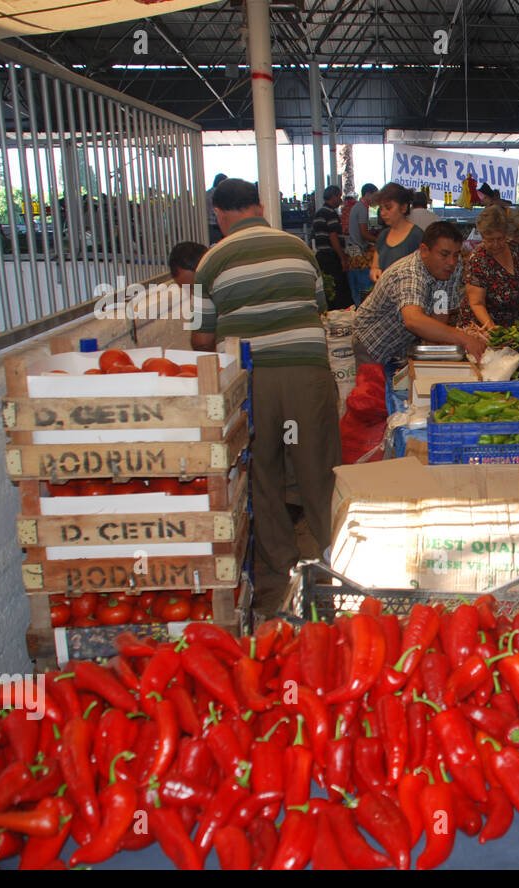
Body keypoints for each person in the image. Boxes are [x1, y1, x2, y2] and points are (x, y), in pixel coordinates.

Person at [190, 178, 340, 617]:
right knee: (318, 469)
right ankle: (337, 559)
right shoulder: (298, 248)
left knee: (263, 472)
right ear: (258, 206)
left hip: (254, 380)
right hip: (306, 372)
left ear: (219, 214)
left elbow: (202, 339)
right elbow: (318, 307)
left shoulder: (211, 260)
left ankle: (280, 569)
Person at [353, 220, 487, 367]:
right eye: (444, 254)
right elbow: (413, 320)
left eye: (456, 255)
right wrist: (464, 338)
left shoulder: (452, 267)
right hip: (373, 346)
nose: (451, 262)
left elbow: (440, 309)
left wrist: (433, 352)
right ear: (424, 250)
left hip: (402, 348)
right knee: (373, 388)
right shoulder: (408, 274)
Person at [465, 204, 519, 330]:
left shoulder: (514, 248)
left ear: (506, 233)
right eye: (490, 240)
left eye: (500, 239)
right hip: (484, 326)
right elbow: (477, 303)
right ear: (482, 236)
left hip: (513, 325)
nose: (496, 244)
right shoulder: (478, 259)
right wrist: (492, 329)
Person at [312, 185, 353, 310]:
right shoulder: (330, 214)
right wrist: (342, 257)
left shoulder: (319, 213)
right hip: (331, 257)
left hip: (321, 256)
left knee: (329, 289)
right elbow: (333, 236)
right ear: (334, 197)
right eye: (339, 197)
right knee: (340, 289)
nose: (340, 201)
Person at [206, 173, 226, 242]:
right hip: (215, 225)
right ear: (221, 182)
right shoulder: (217, 194)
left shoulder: (207, 193)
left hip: (208, 224)